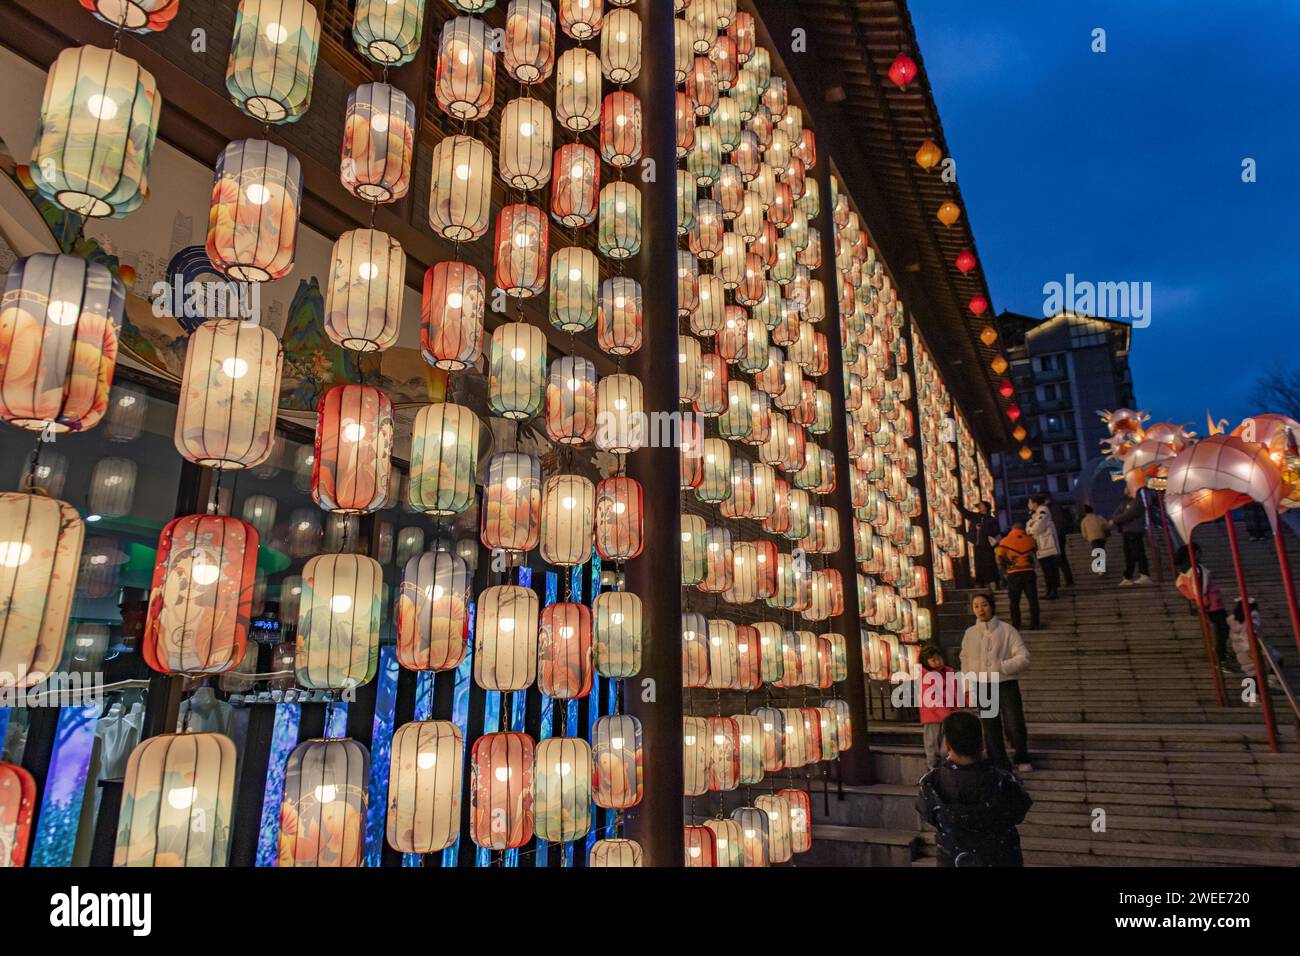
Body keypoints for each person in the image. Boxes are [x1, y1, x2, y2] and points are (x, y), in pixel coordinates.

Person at [915, 710, 1033, 867]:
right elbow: (1019, 810)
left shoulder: (931, 783)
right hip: (1000, 857)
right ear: (982, 742)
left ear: (947, 744)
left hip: (953, 858)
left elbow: (928, 814)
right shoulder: (1004, 781)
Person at [960, 593, 1032, 772]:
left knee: (1014, 722)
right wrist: (968, 687)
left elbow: (1024, 657)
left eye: (984, 605)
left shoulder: (1007, 630)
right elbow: (965, 660)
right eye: (976, 606)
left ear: (991, 606)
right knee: (989, 725)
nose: (980, 609)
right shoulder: (970, 633)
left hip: (1005, 683)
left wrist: (1002, 666)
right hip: (982, 685)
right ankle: (999, 761)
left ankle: (1021, 755)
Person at [1174, 544, 1232, 669]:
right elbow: (1201, 587)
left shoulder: (1184, 571)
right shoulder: (1197, 569)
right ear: (1193, 554)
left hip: (1207, 604)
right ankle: (1220, 659)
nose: (1201, 553)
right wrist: (1201, 599)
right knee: (1221, 631)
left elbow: (1180, 584)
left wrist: (1193, 597)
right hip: (1212, 604)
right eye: (1198, 551)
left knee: (1219, 631)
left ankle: (1220, 656)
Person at [918, 643, 959, 769]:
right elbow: (931, 698)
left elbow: (957, 692)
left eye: (939, 658)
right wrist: (947, 714)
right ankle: (933, 771)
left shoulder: (949, 672)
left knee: (946, 747)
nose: (937, 662)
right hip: (933, 717)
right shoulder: (925, 676)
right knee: (932, 746)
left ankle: (945, 770)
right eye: (933, 660)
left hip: (949, 714)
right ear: (926, 662)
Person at [995, 521, 1040, 630]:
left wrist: (1004, 570)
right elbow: (1035, 551)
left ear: (1012, 529)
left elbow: (999, 557)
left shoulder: (1005, 541)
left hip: (1014, 573)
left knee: (1014, 601)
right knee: (1032, 599)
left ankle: (1016, 624)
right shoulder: (1031, 540)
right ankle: (1035, 623)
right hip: (1029, 572)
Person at [1109, 490, 1152, 585]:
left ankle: (1144, 575)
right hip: (1126, 531)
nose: (1125, 490)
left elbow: (1127, 515)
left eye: (1127, 487)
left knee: (1138, 553)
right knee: (1128, 555)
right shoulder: (1124, 502)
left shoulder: (1137, 502)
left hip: (1135, 531)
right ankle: (1128, 577)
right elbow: (1116, 514)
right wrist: (1118, 518)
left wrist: (1116, 520)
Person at [1026, 496, 1061, 599]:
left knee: (1050, 571)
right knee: (1047, 571)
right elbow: (1028, 526)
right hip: (1042, 547)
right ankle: (1049, 591)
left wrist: (1031, 528)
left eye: (1029, 502)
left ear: (1035, 503)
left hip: (1047, 546)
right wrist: (1030, 528)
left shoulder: (1043, 511)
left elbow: (1037, 527)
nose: (1028, 505)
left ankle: (1053, 592)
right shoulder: (1035, 514)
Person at [1046, 493, 1076, 587]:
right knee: (1061, 559)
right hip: (1060, 534)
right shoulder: (1058, 507)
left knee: (1058, 559)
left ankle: (1061, 581)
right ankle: (1067, 580)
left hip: (1056, 535)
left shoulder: (1051, 509)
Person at [970, 502, 1001, 588]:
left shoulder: (991, 519)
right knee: (979, 565)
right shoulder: (976, 517)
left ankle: (994, 582)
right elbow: (966, 514)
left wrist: (982, 529)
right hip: (978, 545)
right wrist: (958, 505)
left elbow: (995, 531)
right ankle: (981, 583)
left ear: (986, 507)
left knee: (990, 564)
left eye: (981, 506)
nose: (979, 507)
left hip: (987, 545)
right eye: (978, 506)